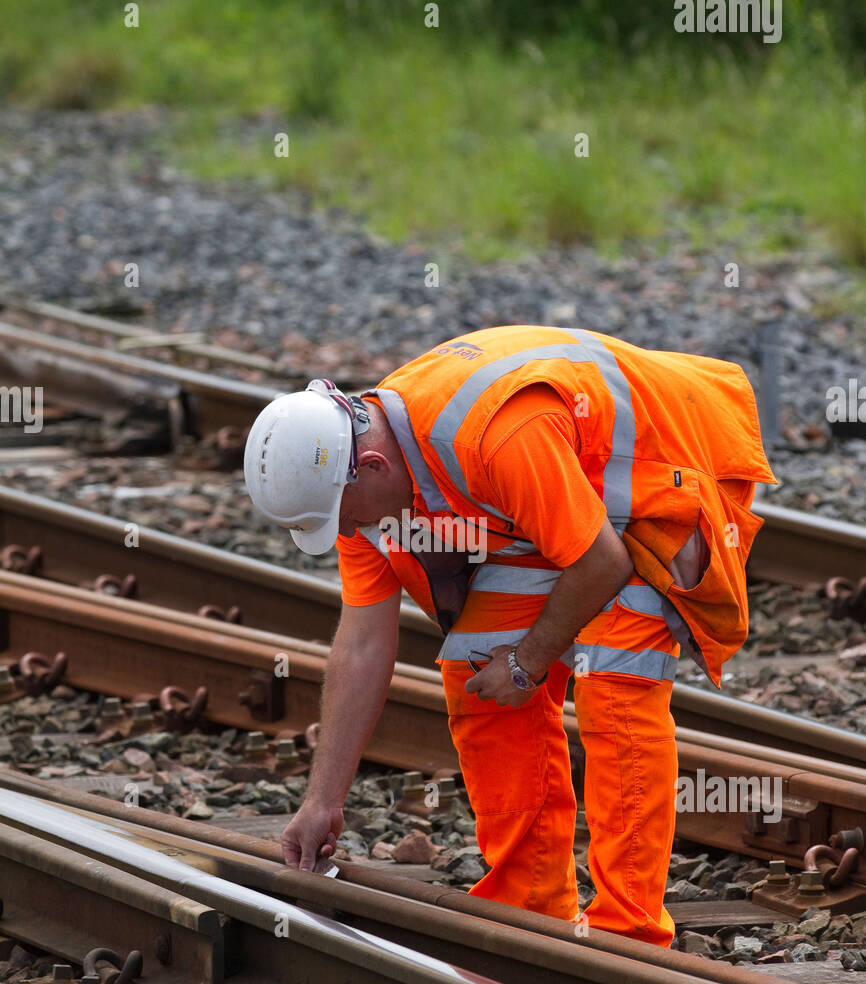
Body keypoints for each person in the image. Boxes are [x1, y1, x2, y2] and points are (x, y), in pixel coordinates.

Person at [244, 325, 775, 947]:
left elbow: (603, 563)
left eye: (348, 515)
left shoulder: (495, 435)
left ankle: (628, 933)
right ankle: (530, 905)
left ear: (372, 466)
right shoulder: (359, 479)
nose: (351, 529)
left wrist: (526, 663)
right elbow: (362, 644)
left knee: (615, 683)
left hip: (663, 478)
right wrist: (323, 800)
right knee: (475, 672)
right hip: (555, 501)